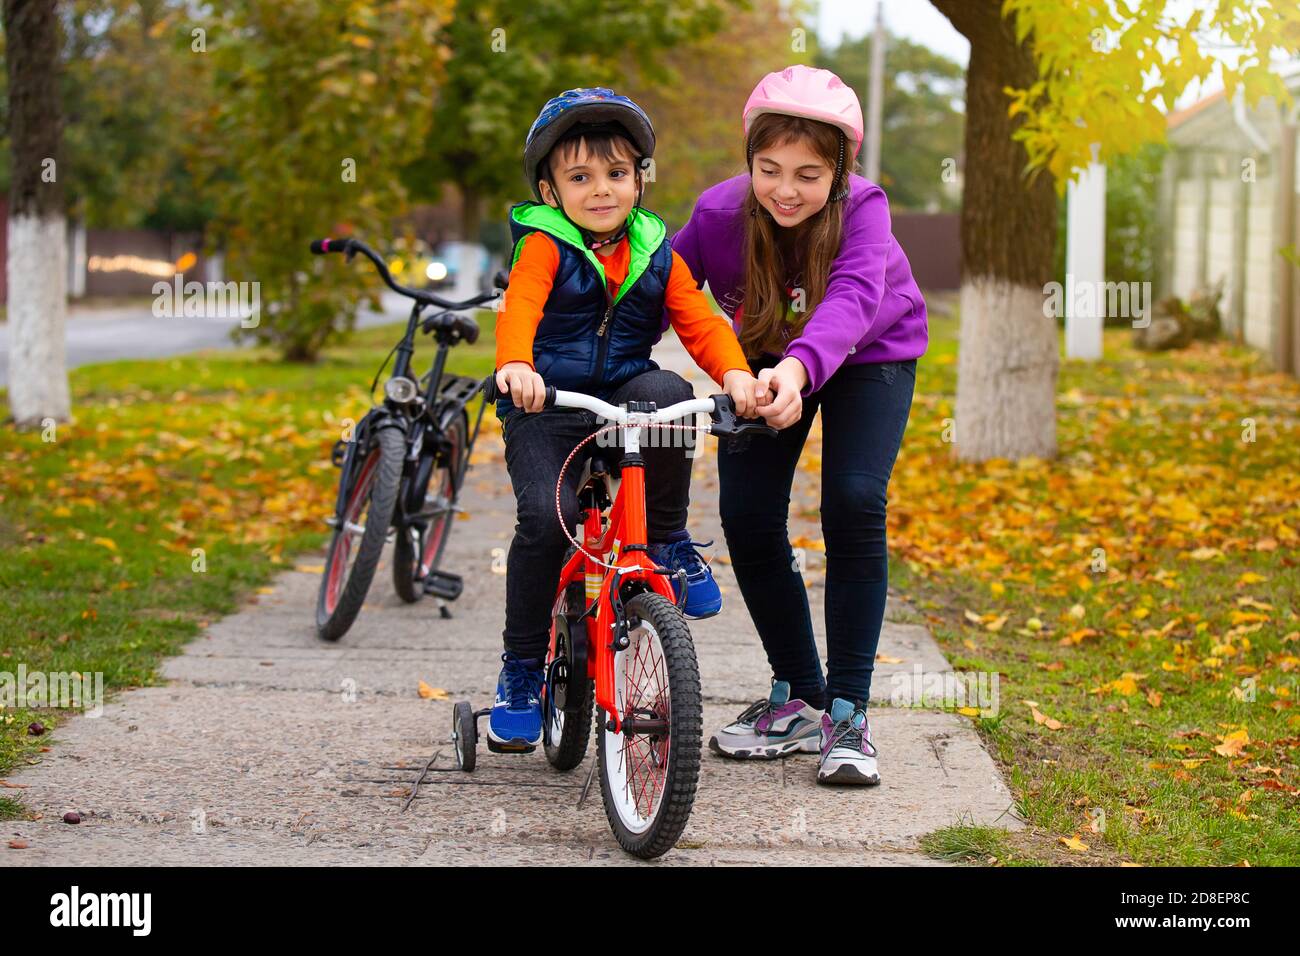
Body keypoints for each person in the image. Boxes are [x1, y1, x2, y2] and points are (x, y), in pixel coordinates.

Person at [670, 66, 928, 784]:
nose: (786, 189)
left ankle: (848, 712)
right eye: (769, 169)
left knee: (853, 498)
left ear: (840, 172)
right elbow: (665, 284)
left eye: (808, 174)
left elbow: (849, 299)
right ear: (749, 161)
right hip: (763, 352)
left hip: (870, 353)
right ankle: (799, 696)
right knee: (747, 515)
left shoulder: (864, 209)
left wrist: (798, 370)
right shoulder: (719, 214)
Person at [489, 88, 766, 751]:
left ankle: (667, 541)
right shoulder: (544, 248)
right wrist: (517, 367)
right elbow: (521, 308)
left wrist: (734, 375)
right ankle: (522, 669)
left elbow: (698, 321)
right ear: (552, 192)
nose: (602, 190)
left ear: (640, 178)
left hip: (621, 398)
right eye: (580, 177)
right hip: (547, 404)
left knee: (669, 392)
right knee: (542, 519)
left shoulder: (654, 249)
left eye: (617, 174)